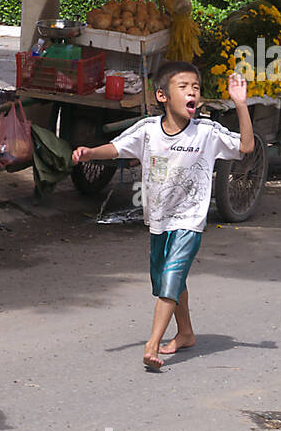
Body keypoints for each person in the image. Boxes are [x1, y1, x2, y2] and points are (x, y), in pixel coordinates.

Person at [73, 63, 254, 371]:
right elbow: (117, 148)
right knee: (164, 280)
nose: (192, 91)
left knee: (170, 277)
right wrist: (90, 153)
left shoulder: (207, 132)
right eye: (183, 86)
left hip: (190, 220)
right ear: (163, 96)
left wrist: (240, 104)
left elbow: (246, 146)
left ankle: (152, 343)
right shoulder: (147, 131)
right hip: (159, 219)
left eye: (196, 87)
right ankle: (185, 333)